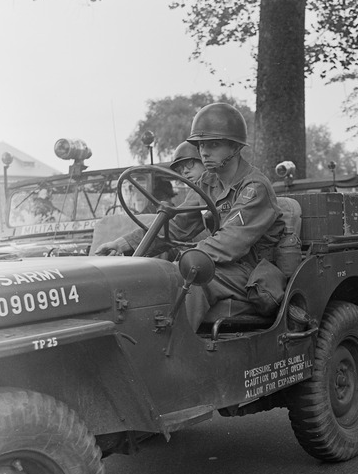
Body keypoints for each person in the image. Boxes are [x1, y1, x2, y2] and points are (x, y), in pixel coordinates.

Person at [95, 102, 286, 333]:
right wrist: (123, 244)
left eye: (214, 145)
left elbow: (230, 243)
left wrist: (183, 259)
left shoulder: (254, 187)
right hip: (224, 265)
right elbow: (175, 227)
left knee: (191, 278)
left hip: (251, 271)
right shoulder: (208, 182)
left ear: (235, 148)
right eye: (201, 145)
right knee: (151, 275)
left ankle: (173, 350)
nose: (204, 152)